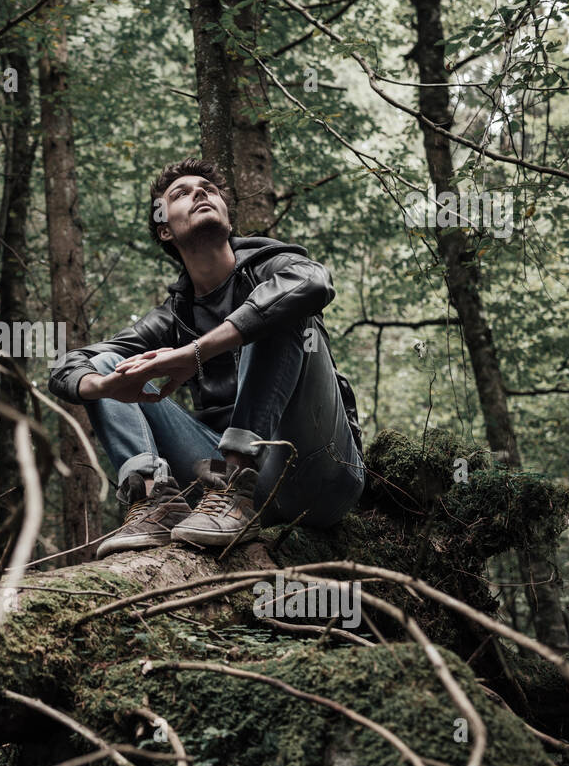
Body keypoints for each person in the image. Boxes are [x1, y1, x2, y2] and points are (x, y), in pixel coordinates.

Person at [47, 157, 365, 558]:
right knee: (110, 366)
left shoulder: (271, 266)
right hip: (217, 493)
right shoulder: (171, 317)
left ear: (228, 221)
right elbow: (66, 366)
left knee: (277, 309)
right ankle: (153, 500)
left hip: (318, 471)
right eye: (181, 193)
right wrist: (106, 386)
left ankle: (236, 480)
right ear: (165, 230)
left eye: (209, 190)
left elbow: (314, 282)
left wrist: (195, 353)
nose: (200, 193)